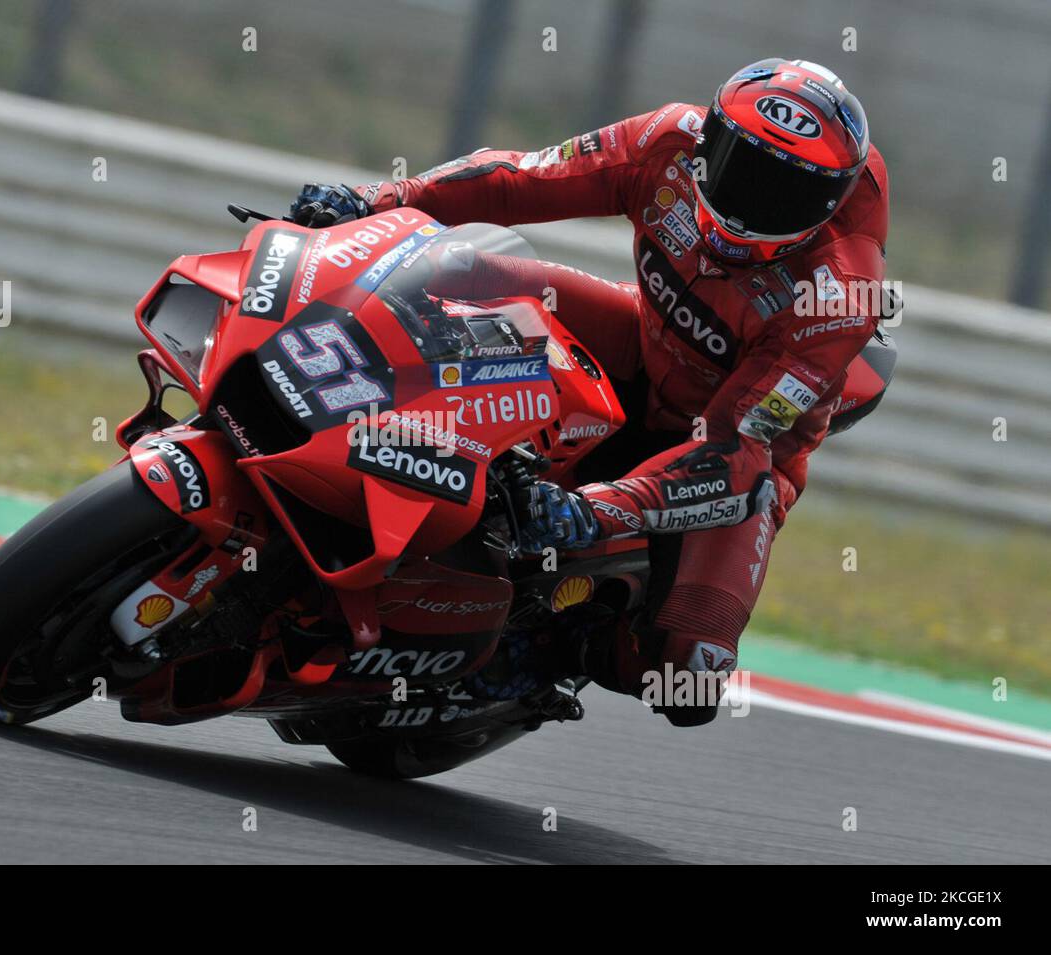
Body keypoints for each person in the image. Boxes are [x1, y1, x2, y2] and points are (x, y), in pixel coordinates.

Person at [289, 58, 890, 726]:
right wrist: (378, 201)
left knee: (688, 678)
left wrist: (597, 512)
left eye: (781, 195)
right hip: (641, 340)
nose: (747, 203)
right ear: (708, 138)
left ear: (829, 206)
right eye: (734, 164)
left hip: (741, 457)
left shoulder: (837, 296)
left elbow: (733, 450)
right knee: (457, 274)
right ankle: (330, 416)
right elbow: (519, 179)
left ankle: (554, 645)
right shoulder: (667, 140)